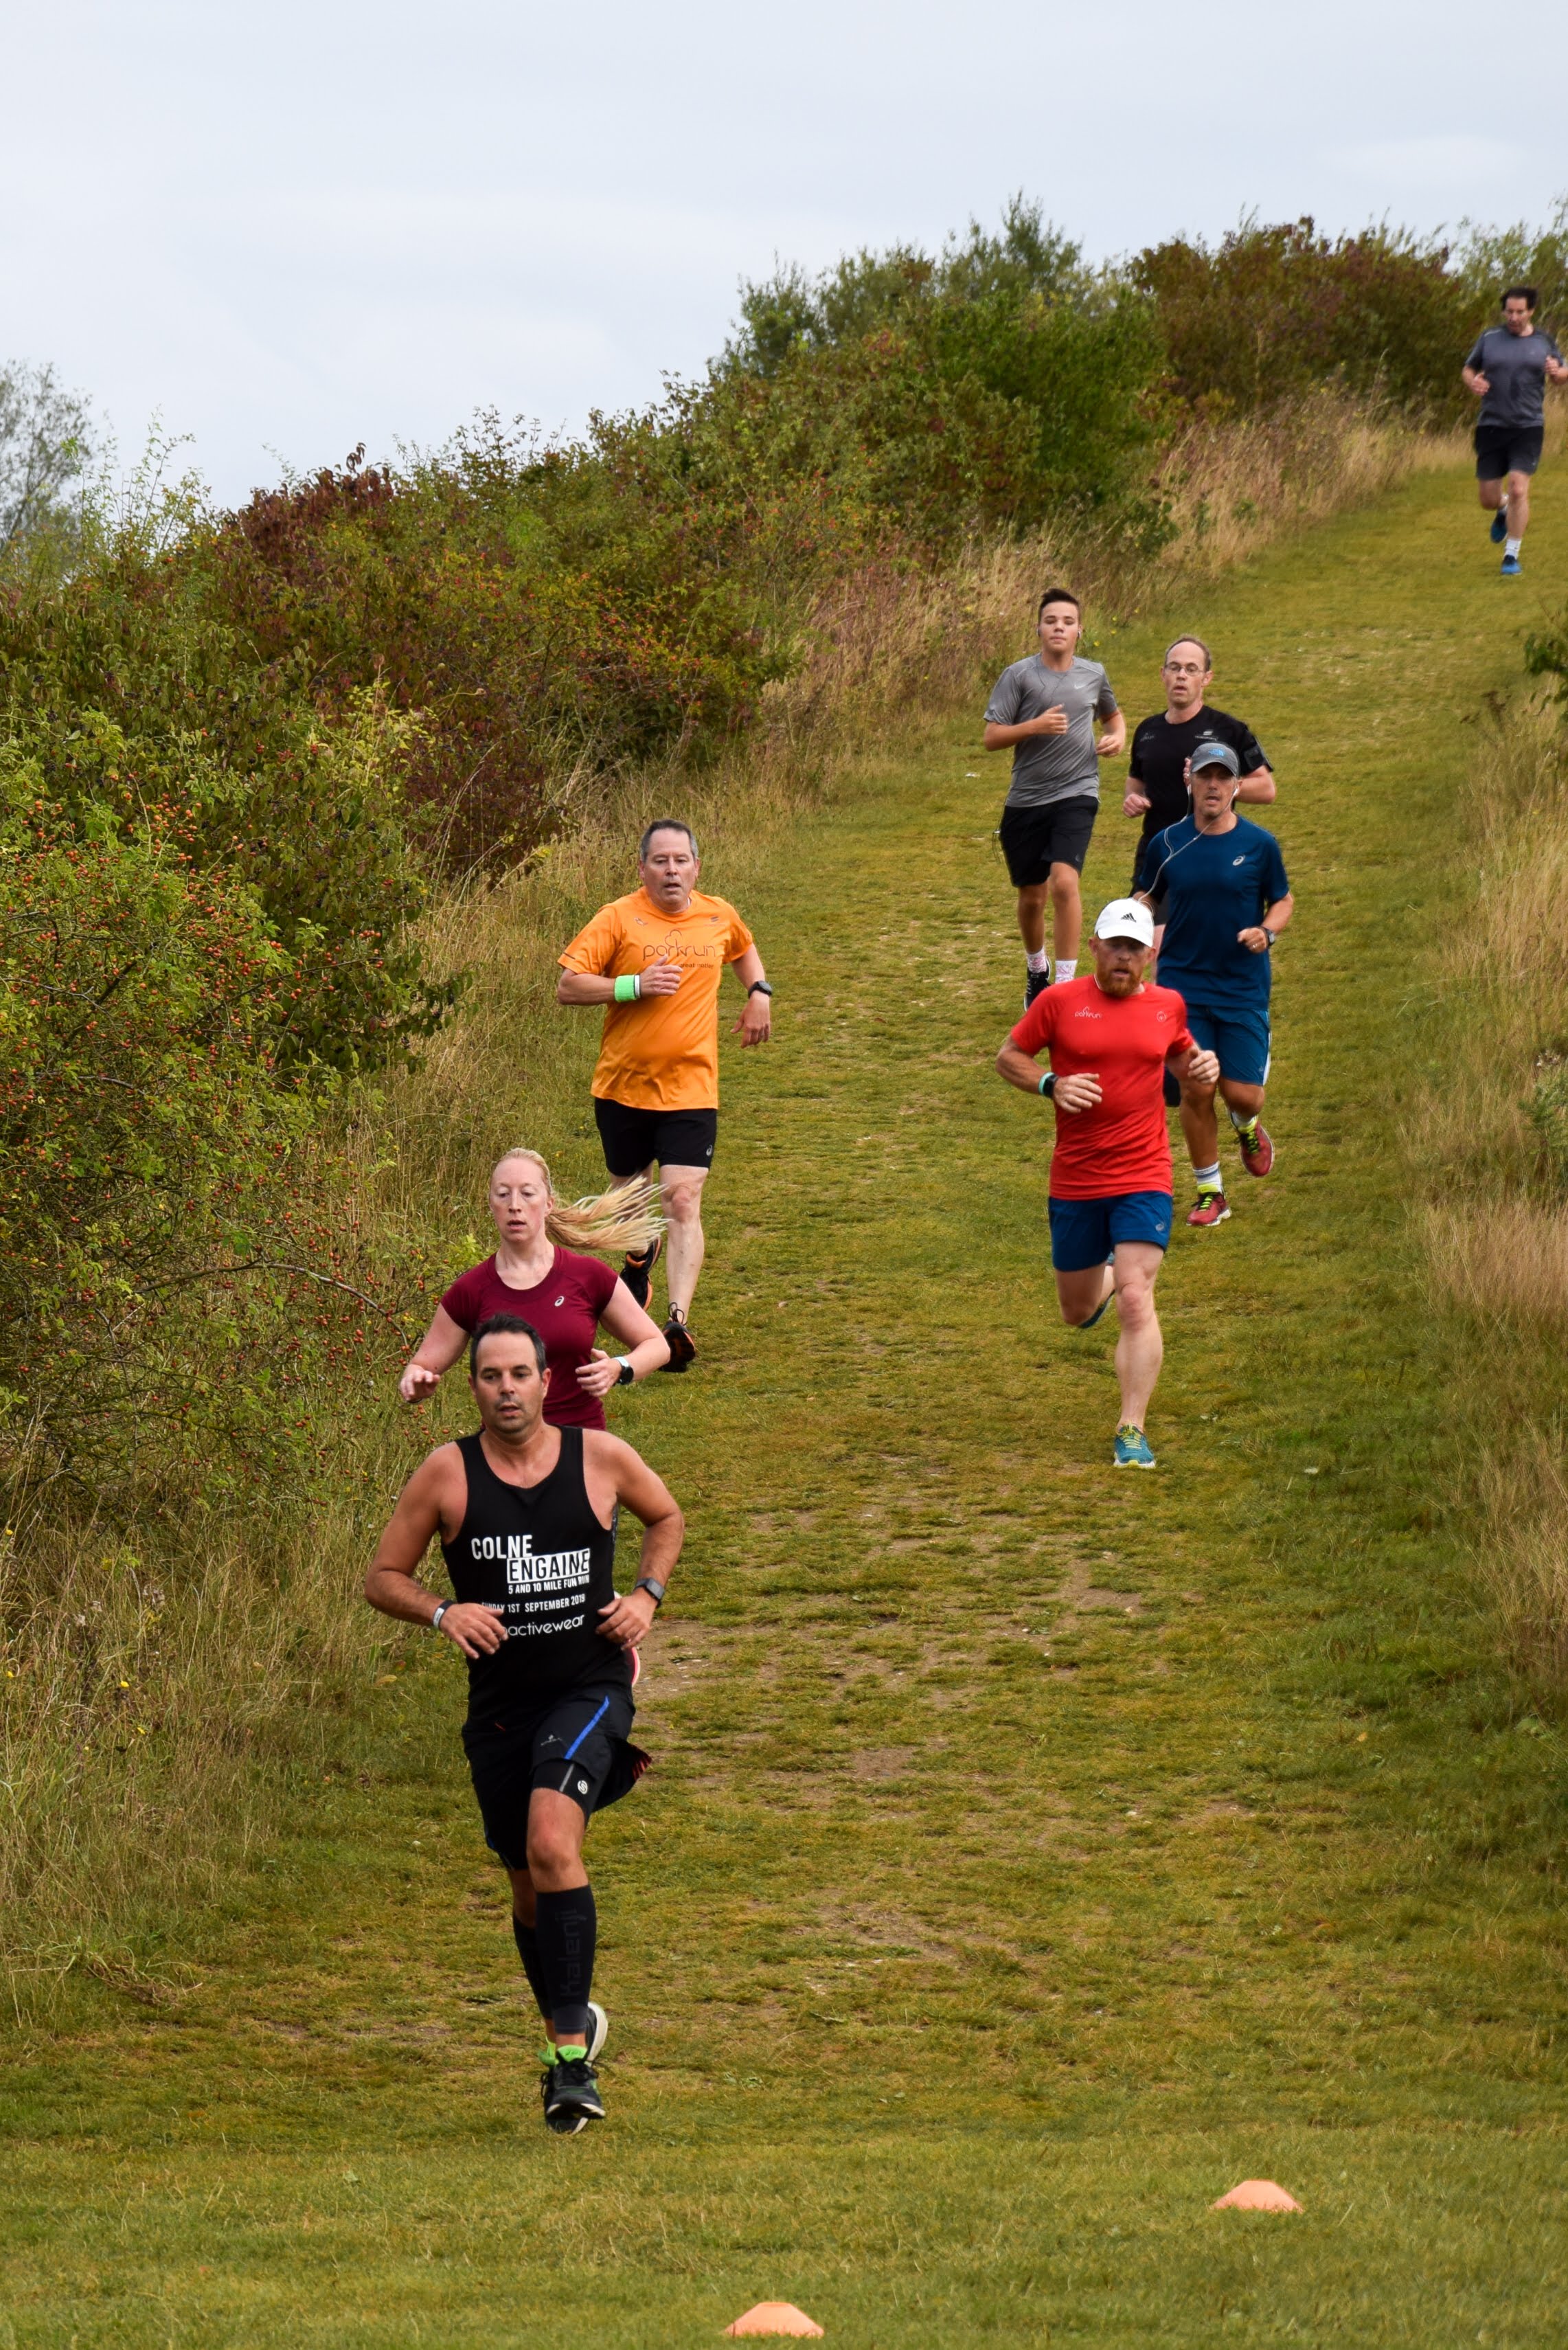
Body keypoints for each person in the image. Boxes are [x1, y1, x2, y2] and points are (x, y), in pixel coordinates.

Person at [367, 1311, 684, 2134]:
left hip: (589, 1686)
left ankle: (569, 2058)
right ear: (471, 1386)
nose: (506, 1389)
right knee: (526, 1879)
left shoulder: (600, 1458)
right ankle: (570, 2026)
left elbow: (668, 1517)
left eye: (519, 1374)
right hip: (502, 1710)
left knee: (552, 1842)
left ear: (547, 1380)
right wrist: (444, 1612)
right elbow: (383, 1577)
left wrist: (645, 1597)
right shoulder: (447, 1473)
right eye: (489, 1375)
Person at [995, 899, 1218, 1470]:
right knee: (1075, 1310)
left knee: (1138, 1300)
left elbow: (1181, 1057)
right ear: (1093, 945)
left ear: (1149, 954)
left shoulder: (1167, 1005)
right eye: (1114, 945)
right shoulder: (1058, 1002)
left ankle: (1131, 1428)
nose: (1124, 957)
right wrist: (1050, 1083)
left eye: (1134, 948)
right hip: (1076, 1176)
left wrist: (1200, 1067)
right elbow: (1009, 1056)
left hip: (1143, 1172)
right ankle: (1114, 1272)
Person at [557, 821, 772, 1370]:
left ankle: (676, 1322)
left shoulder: (717, 914)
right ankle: (639, 1250)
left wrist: (759, 992)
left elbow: (743, 949)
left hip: (692, 1088)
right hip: (622, 1087)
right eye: (660, 861)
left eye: (681, 860)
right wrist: (633, 985)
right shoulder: (617, 918)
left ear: (697, 868)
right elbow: (568, 985)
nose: (671, 870)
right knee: (630, 1199)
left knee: (681, 1198)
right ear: (642, 869)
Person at [1133, 743, 1293, 1231]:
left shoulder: (1260, 845)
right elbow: (1145, 894)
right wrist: (1133, 934)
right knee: (1194, 1088)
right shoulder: (1165, 842)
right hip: (1182, 987)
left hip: (1242, 987)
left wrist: (1265, 932)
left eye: (1223, 777)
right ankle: (1210, 1191)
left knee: (1242, 1095)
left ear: (1237, 787)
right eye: (1205, 776)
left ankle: (1246, 1127)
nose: (1213, 785)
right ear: (1191, 782)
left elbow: (1283, 900)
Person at [399, 1148, 670, 1423]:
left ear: (548, 1203)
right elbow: (420, 1366)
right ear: (491, 1204)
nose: (514, 1205)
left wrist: (619, 1367)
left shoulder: (588, 1276)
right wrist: (416, 1384)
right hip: (502, 1456)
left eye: (527, 1194)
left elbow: (657, 1346)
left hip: (580, 1449)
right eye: (503, 1194)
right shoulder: (471, 1290)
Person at [984, 589, 1125, 1010]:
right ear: (1039, 628)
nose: (1059, 627)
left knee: (1065, 883)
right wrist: (1035, 726)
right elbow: (992, 737)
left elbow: (1111, 715)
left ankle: (1063, 987)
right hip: (1026, 800)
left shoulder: (1093, 673)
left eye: (1067, 621)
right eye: (1051, 621)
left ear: (1079, 630)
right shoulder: (1019, 676)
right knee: (1032, 897)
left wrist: (1116, 736)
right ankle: (1036, 969)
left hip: (1078, 792)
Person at [1463, 287, 1567, 578]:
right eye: (1509, 311)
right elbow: (1468, 369)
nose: (1514, 317)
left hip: (1528, 426)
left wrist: (1558, 372)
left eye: (1520, 312)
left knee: (1520, 488)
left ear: (1531, 311)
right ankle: (1503, 507)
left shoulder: (1543, 340)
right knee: (1487, 499)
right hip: (1491, 425)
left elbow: (1562, 372)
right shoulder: (1490, 338)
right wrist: (1473, 382)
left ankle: (1511, 555)